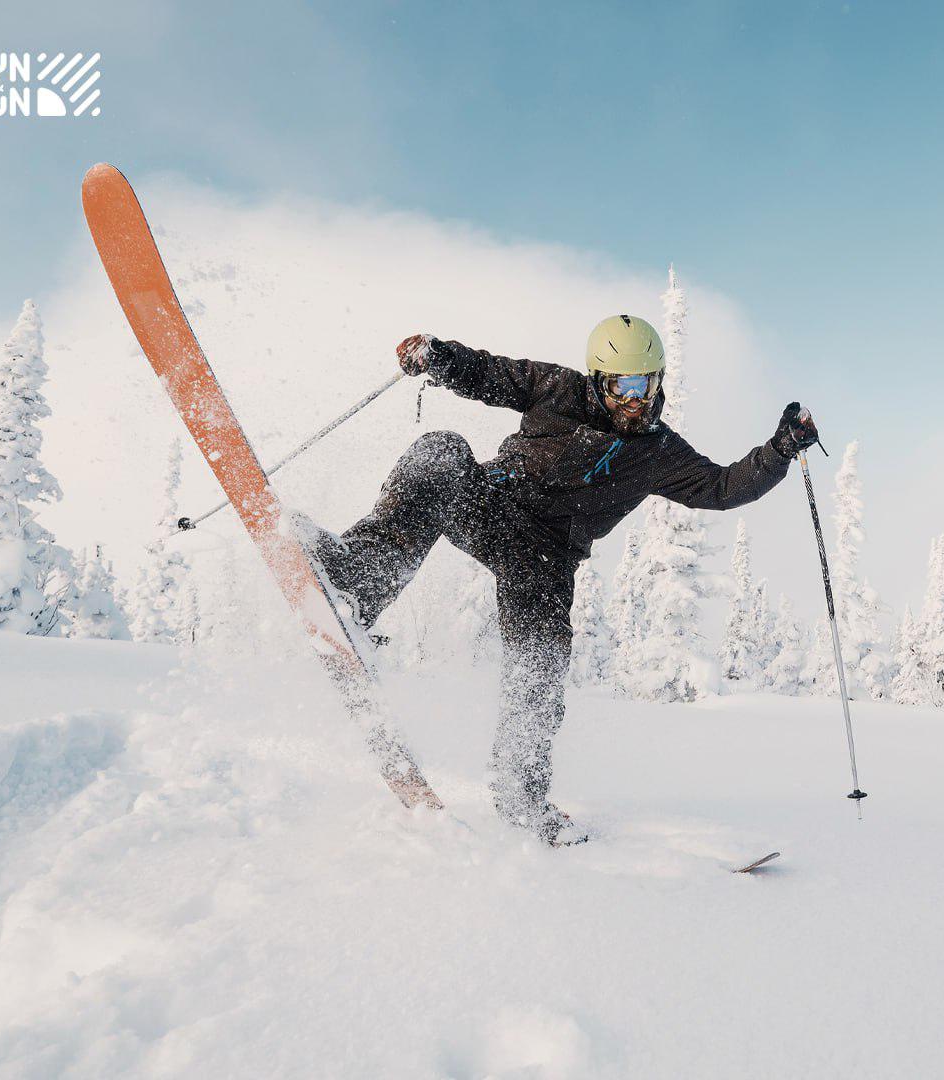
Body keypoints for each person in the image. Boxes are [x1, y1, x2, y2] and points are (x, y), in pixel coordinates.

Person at [306, 315, 820, 844]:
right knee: (442, 451)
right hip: (492, 505)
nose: (634, 398)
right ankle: (355, 586)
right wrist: (438, 355)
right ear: (599, 379)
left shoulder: (659, 451)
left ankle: (522, 797)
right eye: (622, 385)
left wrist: (780, 450)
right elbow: (489, 373)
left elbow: (722, 486)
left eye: (645, 384)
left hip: (545, 558)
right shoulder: (556, 388)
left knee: (539, 669)